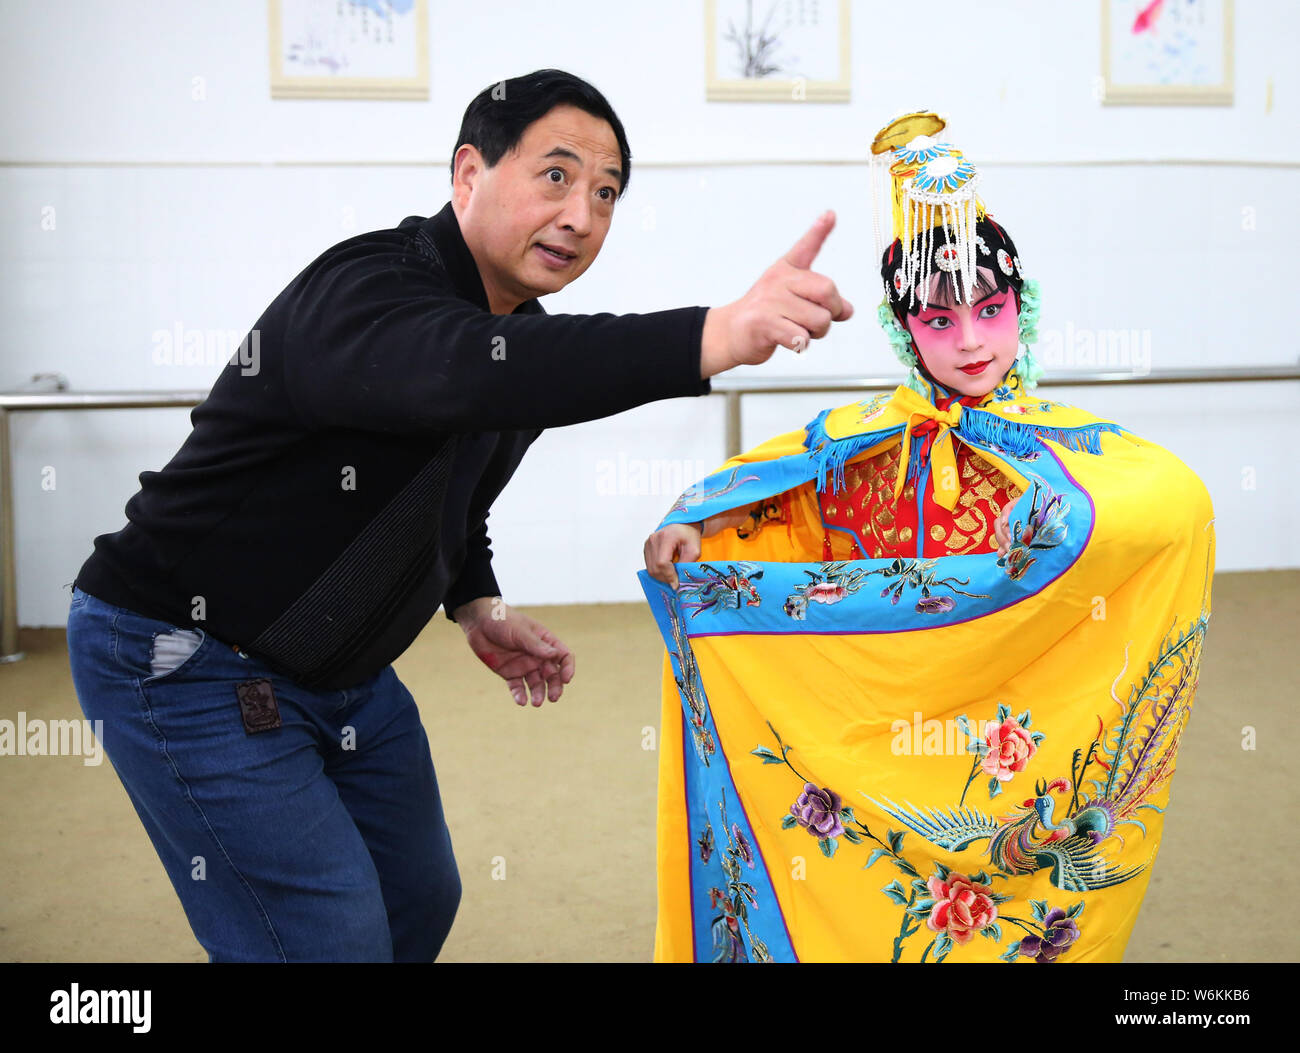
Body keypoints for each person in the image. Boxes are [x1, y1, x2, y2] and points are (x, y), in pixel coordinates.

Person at [64, 67, 853, 963]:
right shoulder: (368, 288)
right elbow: (461, 369)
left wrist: (476, 600)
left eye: (605, 193)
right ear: (469, 174)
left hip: (342, 675)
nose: (581, 215)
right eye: (555, 176)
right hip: (187, 656)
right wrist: (712, 334)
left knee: (417, 899)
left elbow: (459, 489)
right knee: (327, 940)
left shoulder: (514, 338)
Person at [639, 111, 1216, 963]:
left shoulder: (1071, 459)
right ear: (901, 329)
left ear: (1023, 306)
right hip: (871, 739)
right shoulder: (861, 437)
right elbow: (773, 503)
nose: (973, 340)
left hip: (1001, 756)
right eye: (940, 321)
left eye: (990, 309)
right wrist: (697, 524)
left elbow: (1175, 506)